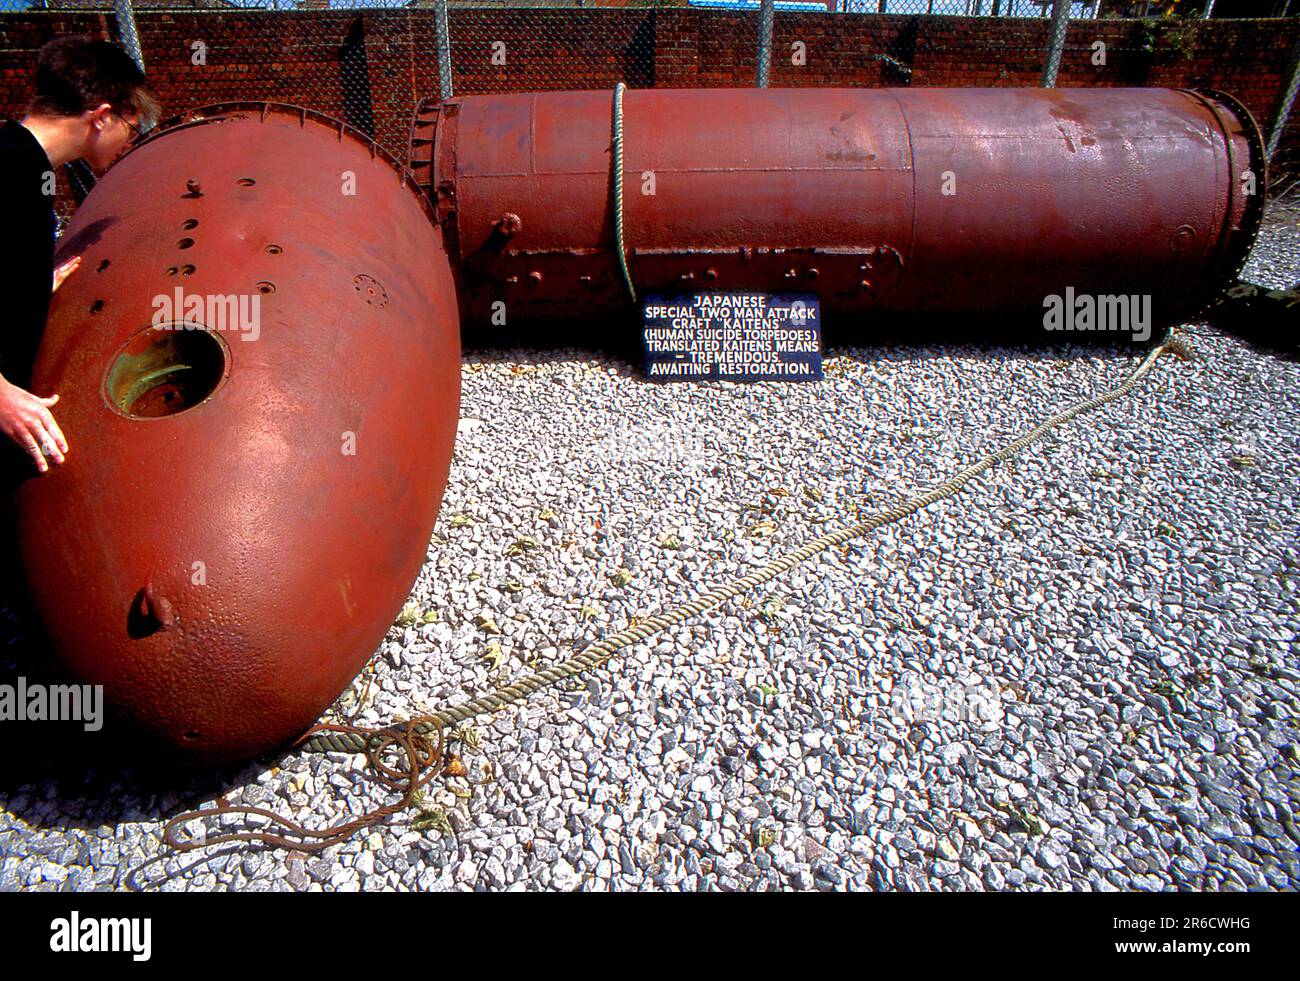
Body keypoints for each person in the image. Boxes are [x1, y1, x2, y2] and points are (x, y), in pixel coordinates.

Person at [0, 34, 159, 476]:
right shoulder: (10, 168)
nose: (130, 141)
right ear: (102, 117)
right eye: (132, 126)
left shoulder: (26, 165)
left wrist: (31, 283)